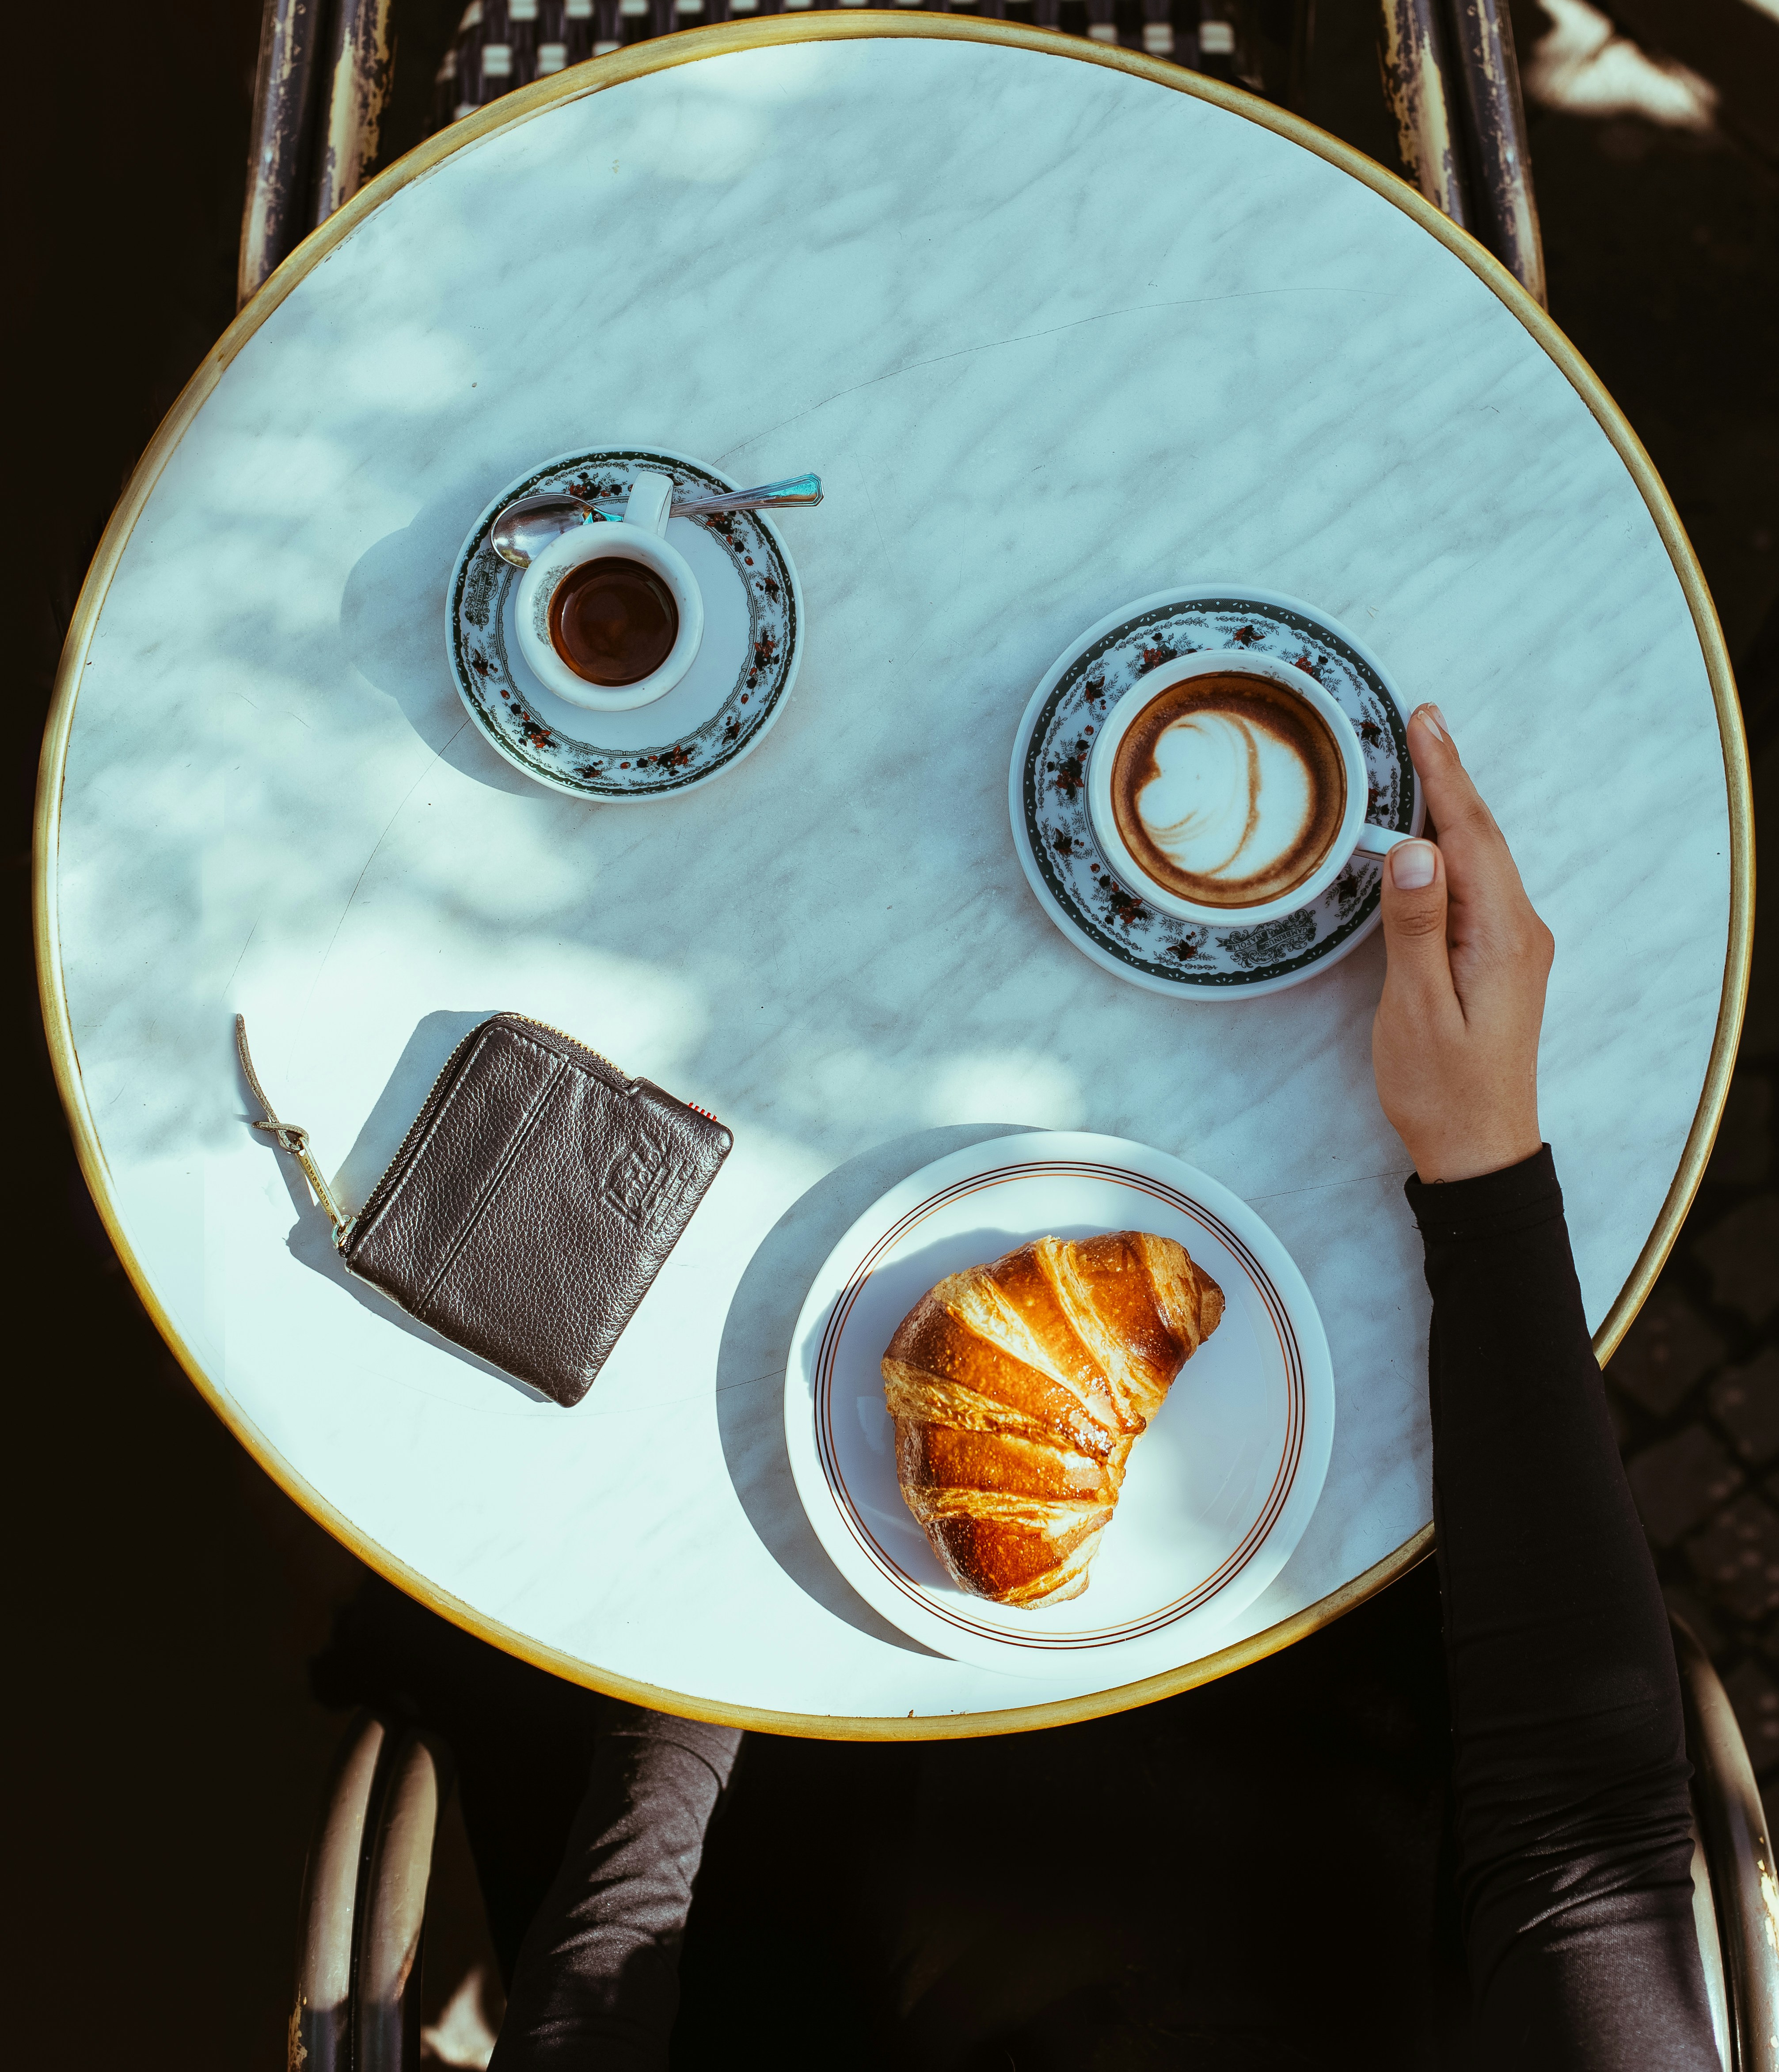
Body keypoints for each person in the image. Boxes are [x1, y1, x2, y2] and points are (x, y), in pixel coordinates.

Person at [488, 708, 1719, 2069]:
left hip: (825, 1744)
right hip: (1361, 1675)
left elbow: (596, 1991)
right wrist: (1476, 1156)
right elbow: (1578, 1840)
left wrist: (759, 1543)